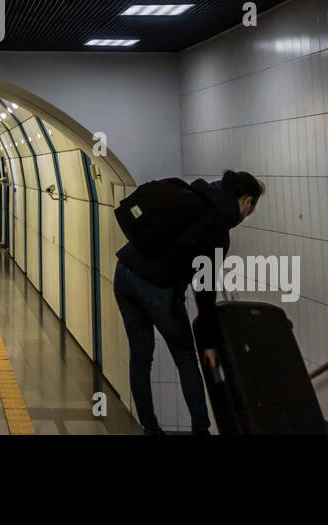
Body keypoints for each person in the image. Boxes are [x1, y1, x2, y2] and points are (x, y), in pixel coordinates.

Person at [113, 169, 264, 435]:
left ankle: (150, 428)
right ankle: (201, 430)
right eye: (250, 208)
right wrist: (209, 344)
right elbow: (204, 291)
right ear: (246, 202)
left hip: (124, 271)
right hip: (156, 287)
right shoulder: (218, 229)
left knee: (140, 356)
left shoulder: (195, 192)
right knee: (185, 356)